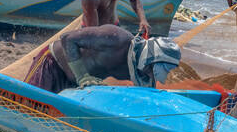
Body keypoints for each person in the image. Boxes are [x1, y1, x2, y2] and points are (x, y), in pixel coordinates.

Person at [25, 25, 177, 93]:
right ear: (148, 58)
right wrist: (82, 76)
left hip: (73, 83)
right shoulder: (116, 38)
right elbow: (67, 38)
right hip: (52, 65)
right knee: (28, 110)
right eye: (152, 69)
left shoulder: (140, 71)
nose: (151, 74)